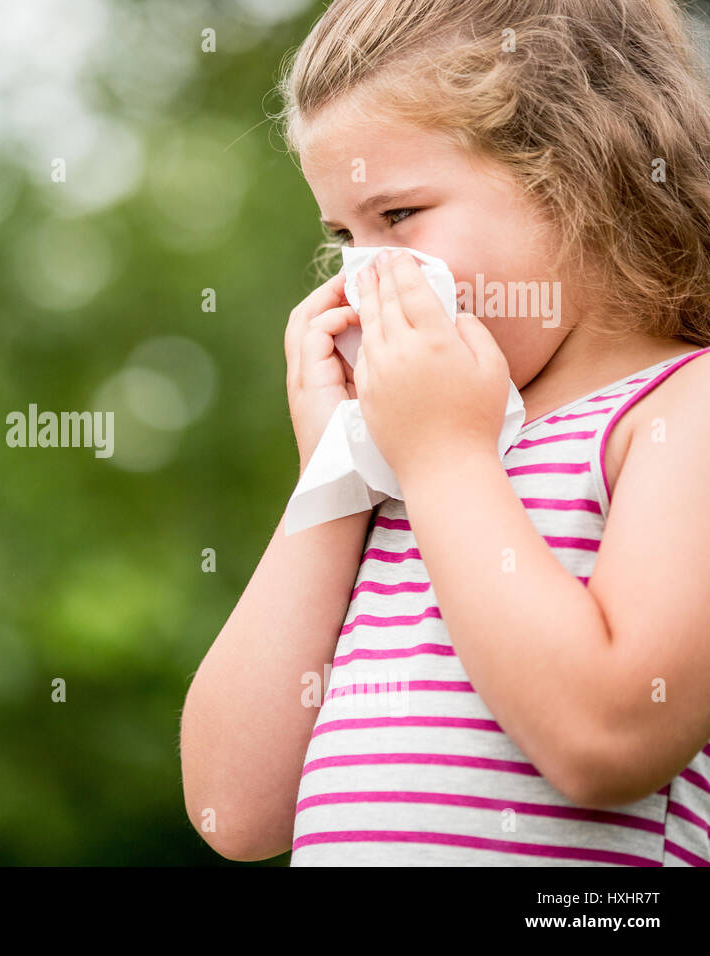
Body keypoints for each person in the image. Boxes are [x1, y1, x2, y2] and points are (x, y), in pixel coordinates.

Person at [182, 0, 710, 865]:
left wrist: (442, 458)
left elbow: (608, 741)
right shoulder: (410, 457)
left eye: (396, 217)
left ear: (577, 174)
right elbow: (232, 813)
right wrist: (336, 474)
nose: (367, 273)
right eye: (342, 236)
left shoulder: (680, 412)